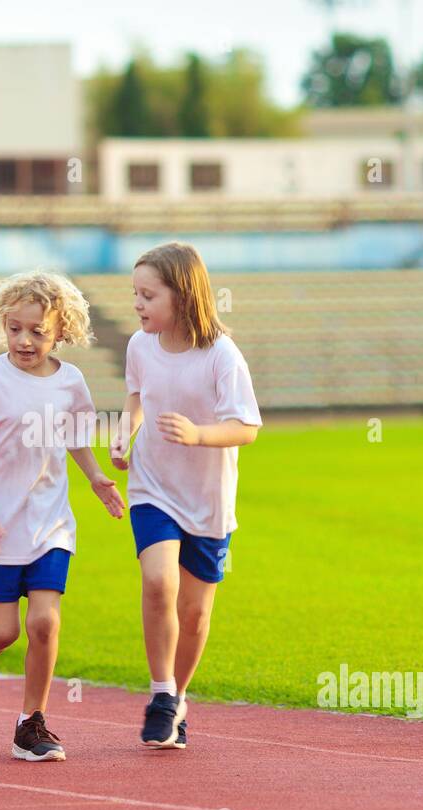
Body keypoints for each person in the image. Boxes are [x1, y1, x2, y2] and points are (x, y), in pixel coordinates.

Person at [0, 271, 125, 761]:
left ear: (61, 331)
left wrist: (95, 477)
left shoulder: (71, 382)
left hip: (50, 522)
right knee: (4, 632)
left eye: (38, 331)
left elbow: (77, 438)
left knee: (44, 623)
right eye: (15, 328)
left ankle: (31, 722)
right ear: (3, 324)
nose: (25, 340)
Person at [110, 242, 262, 749]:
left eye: (148, 295)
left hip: (207, 498)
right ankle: (159, 692)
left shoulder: (221, 354)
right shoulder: (139, 345)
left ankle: (176, 697)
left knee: (195, 612)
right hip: (153, 486)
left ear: (182, 294)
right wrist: (125, 429)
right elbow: (137, 395)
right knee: (158, 583)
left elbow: (246, 427)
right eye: (135, 293)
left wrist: (199, 434)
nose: (138, 304)